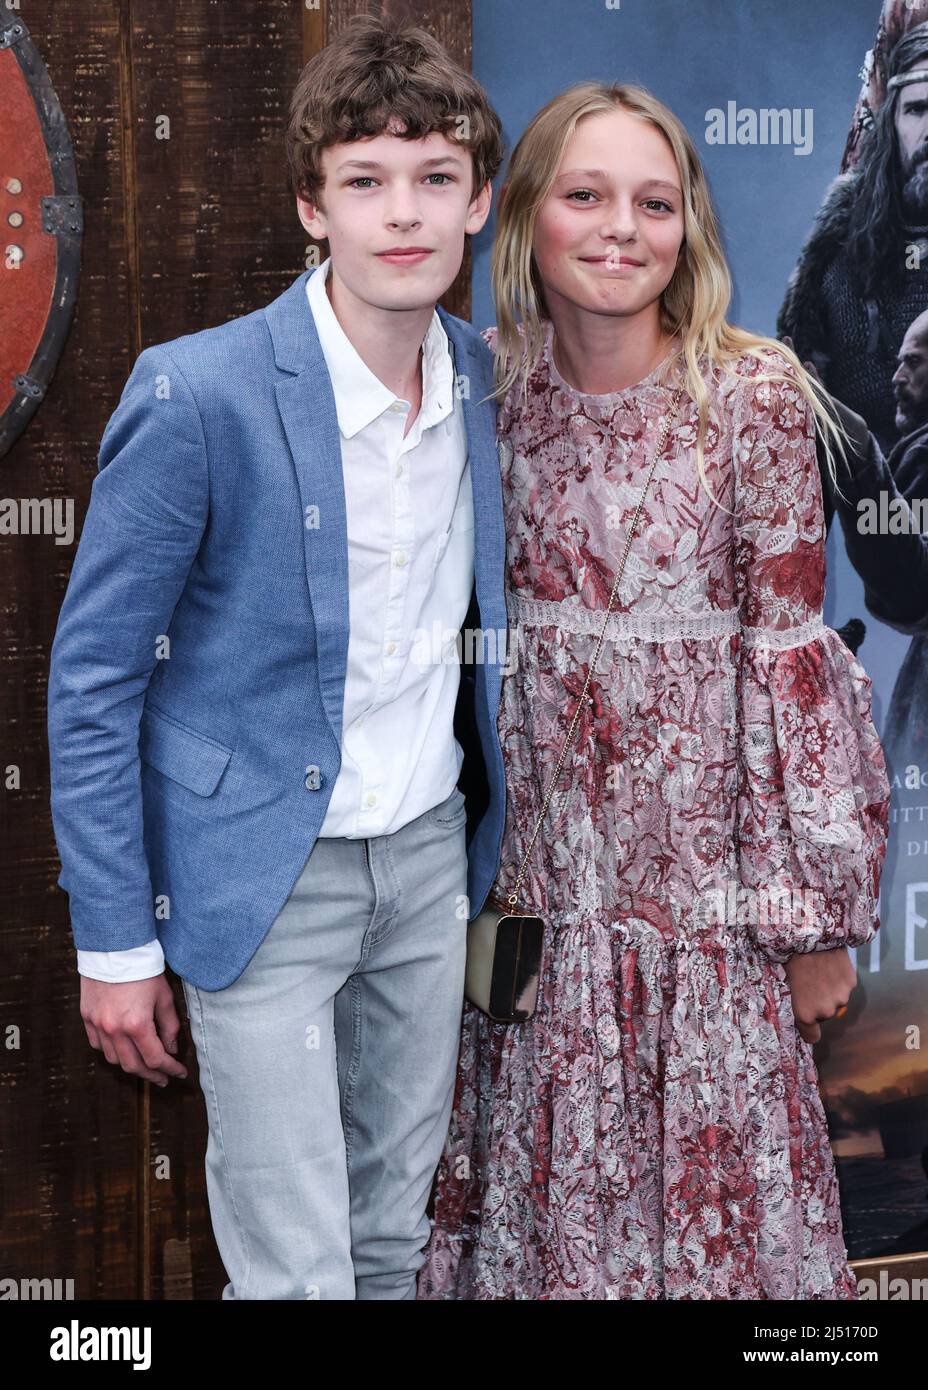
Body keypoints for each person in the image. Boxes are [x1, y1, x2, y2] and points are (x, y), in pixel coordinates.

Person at [47, 15, 507, 1300]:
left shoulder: (486, 386)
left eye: (435, 177)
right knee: (296, 1271)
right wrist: (114, 945)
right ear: (313, 207)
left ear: (478, 203)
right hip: (259, 877)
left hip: (427, 862)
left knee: (392, 1244)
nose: (402, 212)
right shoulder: (200, 395)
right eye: (365, 180)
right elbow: (92, 680)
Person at [417, 81, 891, 1301]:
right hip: (529, 934)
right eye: (585, 196)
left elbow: (791, 675)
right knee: (541, 1234)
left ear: (690, 227)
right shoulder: (482, 394)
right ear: (523, 214)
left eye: (655, 202)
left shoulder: (754, 399)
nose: (621, 228)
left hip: (714, 941)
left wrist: (813, 926)